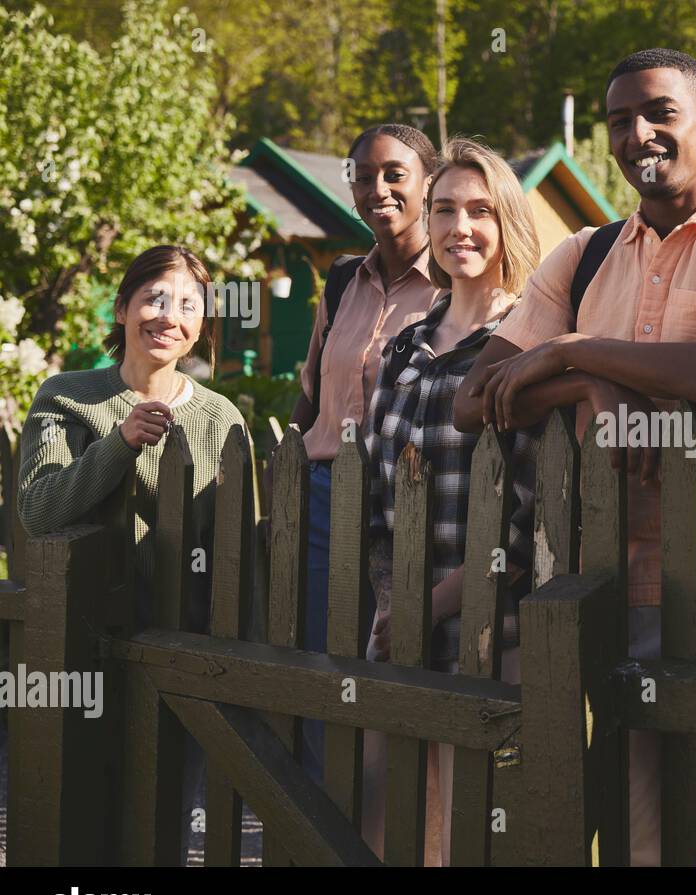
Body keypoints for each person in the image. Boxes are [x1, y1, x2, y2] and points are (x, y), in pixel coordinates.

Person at [452, 48, 696, 867]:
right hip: (611, 582)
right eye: (620, 121)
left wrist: (574, 350)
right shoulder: (580, 255)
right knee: (633, 837)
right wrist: (588, 388)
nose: (638, 134)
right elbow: (471, 400)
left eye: (660, 112)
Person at [362, 137, 541, 865]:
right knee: (396, 831)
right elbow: (374, 501)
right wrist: (388, 601)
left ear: (508, 225)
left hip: (491, 630)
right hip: (394, 627)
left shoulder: (529, 341)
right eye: (443, 210)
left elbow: (528, 522)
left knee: (480, 833)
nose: (459, 227)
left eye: (479, 210)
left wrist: (429, 602)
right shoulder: (402, 347)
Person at [287, 123, 442, 783]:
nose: (376, 188)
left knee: (394, 667)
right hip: (321, 499)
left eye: (394, 174)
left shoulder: (457, 277)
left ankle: (392, 834)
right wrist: (288, 466)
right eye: (362, 175)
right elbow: (311, 385)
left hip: (410, 504)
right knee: (322, 667)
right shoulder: (342, 279)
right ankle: (324, 828)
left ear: (428, 181)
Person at [19, 244, 247, 629]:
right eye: (155, 300)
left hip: (186, 641)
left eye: (189, 307)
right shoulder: (64, 397)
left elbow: (235, 551)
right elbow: (38, 513)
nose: (170, 318)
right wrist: (119, 443)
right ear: (122, 309)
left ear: (201, 328)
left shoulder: (222, 419)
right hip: (83, 633)